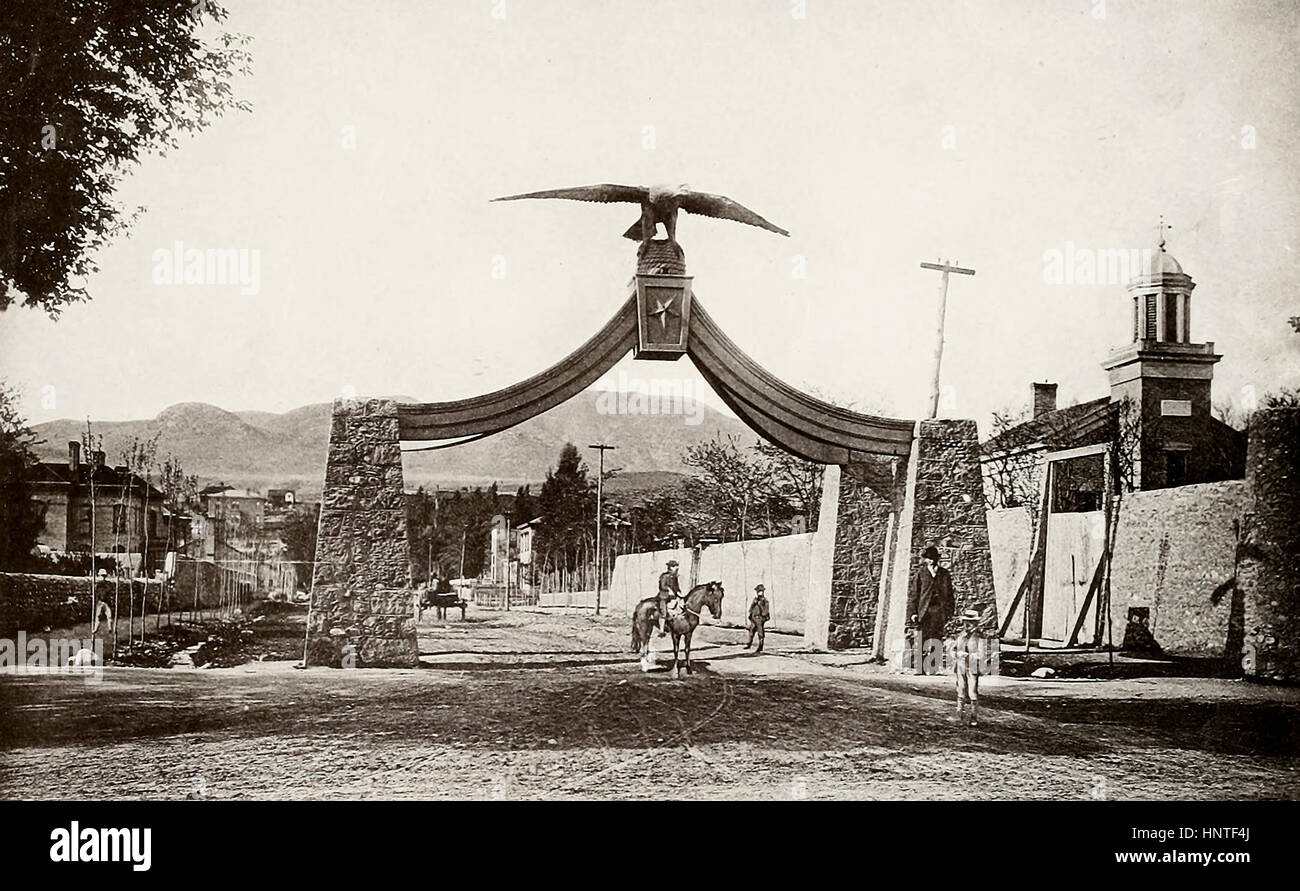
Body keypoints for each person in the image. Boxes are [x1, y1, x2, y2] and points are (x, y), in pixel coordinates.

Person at [906, 545, 955, 675]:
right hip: (924, 611)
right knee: (921, 639)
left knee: (936, 639)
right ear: (925, 560)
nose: (930, 560)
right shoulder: (921, 573)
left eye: (932, 558)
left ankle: (932, 668)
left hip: (939, 611)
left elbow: (950, 595)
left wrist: (949, 611)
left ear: (937, 559)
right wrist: (913, 612)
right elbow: (914, 594)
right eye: (928, 558)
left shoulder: (944, 574)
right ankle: (920, 668)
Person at [950, 608, 990, 725]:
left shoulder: (979, 637)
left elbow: (982, 654)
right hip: (961, 665)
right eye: (965, 621)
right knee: (960, 689)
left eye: (970, 621)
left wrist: (970, 655)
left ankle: (974, 717)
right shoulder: (961, 636)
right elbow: (953, 650)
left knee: (972, 691)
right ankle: (959, 715)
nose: (966, 624)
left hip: (972, 666)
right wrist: (957, 654)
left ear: (975, 623)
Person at [656, 559, 683, 636]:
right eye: (675, 566)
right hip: (664, 596)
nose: (677, 568)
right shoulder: (664, 576)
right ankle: (661, 630)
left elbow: (676, 587)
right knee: (663, 612)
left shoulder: (675, 577)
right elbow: (662, 586)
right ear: (670, 567)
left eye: (677, 566)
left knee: (681, 607)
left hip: (673, 596)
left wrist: (679, 593)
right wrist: (669, 590)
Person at [744, 584, 770, 653]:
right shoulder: (755, 600)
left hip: (759, 618)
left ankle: (760, 646)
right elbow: (751, 609)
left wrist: (761, 615)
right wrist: (753, 606)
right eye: (758, 591)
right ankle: (749, 644)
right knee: (751, 631)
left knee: (760, 632)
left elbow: (766, 611)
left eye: (760, 591)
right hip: (753, 618)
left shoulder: (765, 601)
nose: (759, 593)